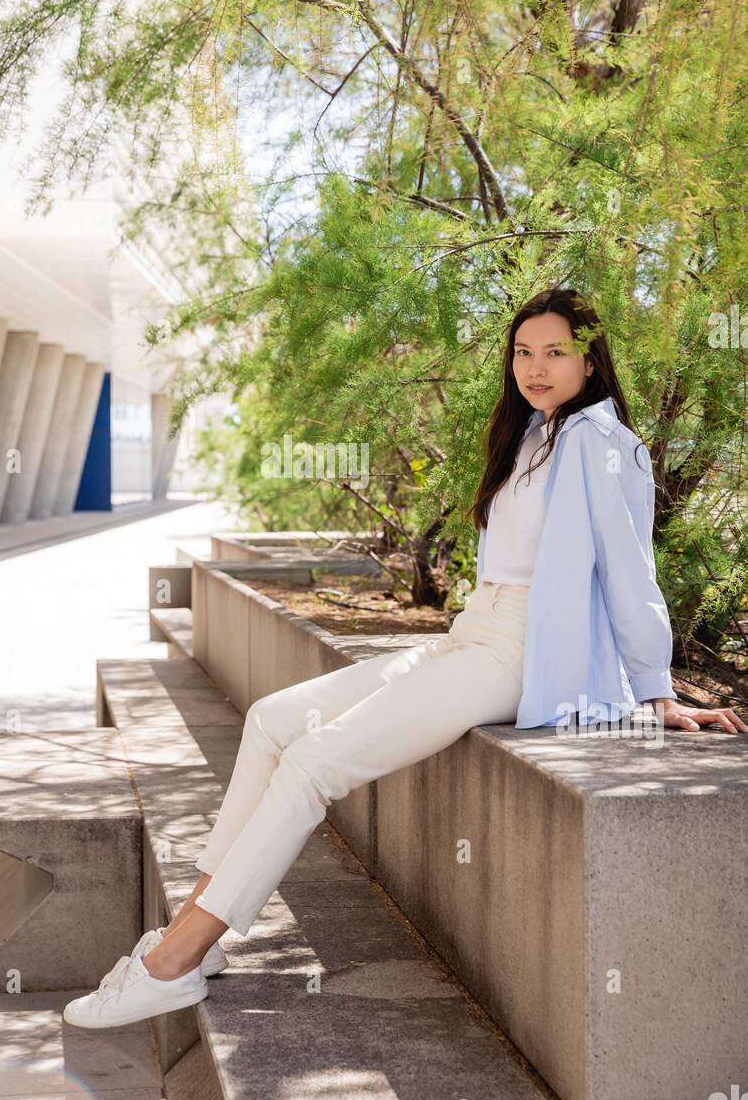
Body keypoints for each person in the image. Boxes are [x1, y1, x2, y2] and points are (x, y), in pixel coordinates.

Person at [63, 286, 746, 1028]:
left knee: (316, 762)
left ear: (590, 359)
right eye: (523, 351)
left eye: (556, 352)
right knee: (270, 720)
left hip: (520, 654)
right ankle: (198, 919)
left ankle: (178, 960)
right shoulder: (528, 434)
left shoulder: (601, 442)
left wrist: (654, 687)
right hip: (472, 632)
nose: (536, 367)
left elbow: (628, 567)